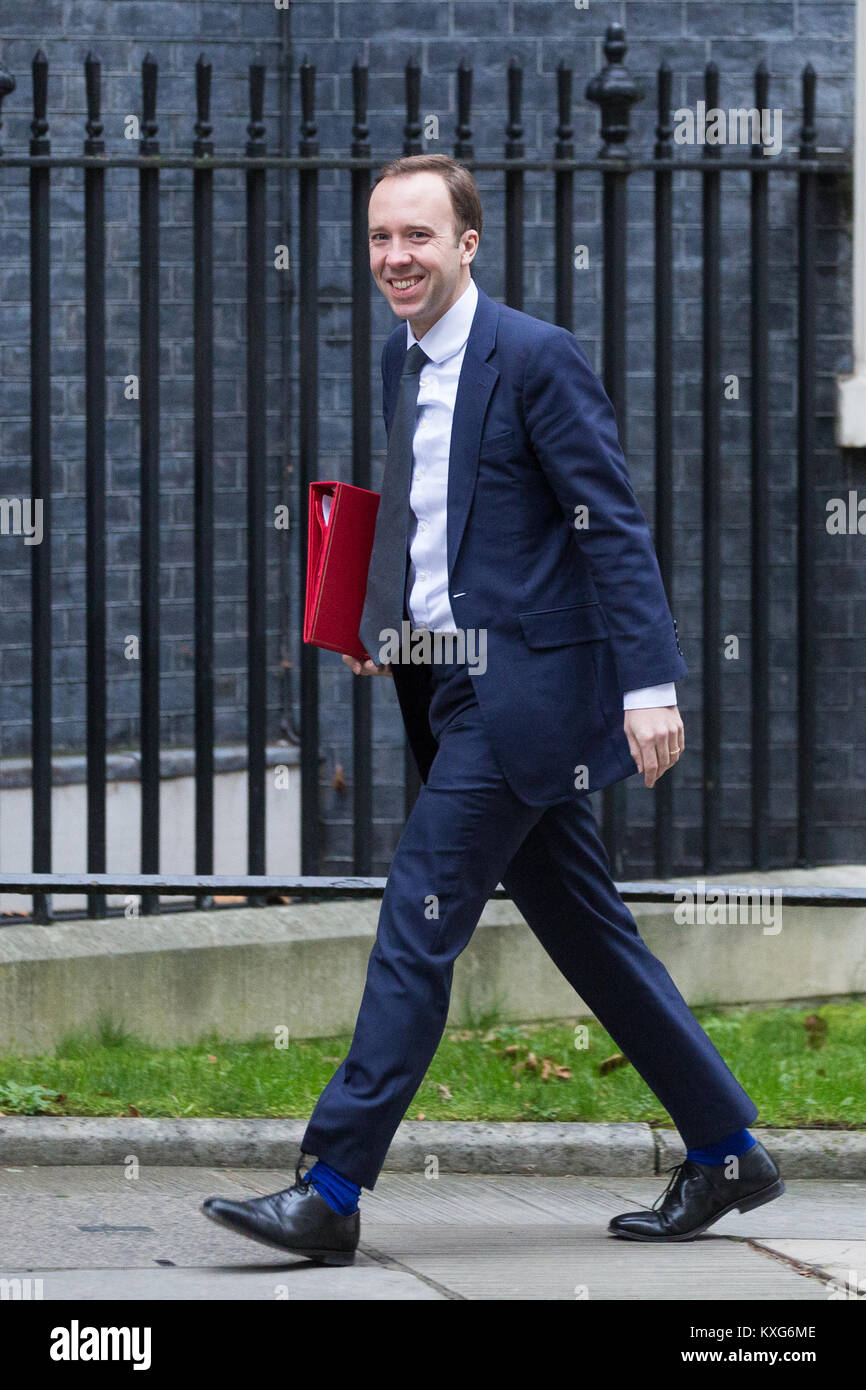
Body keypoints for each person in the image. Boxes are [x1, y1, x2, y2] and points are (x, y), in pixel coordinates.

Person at [202, 154, 784, 1263]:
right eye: (379, 239)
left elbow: (606, 521)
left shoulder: (533, 356)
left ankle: (329, 1186)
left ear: (467, 244)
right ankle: (725, 1150)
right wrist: (383, 622)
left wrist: (650, 686)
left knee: (416, 917)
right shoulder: (400, 360)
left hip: (524, 703)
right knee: (590, 933)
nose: (393, 259)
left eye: (417, 237)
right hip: (447, 680)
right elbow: (439, 524)